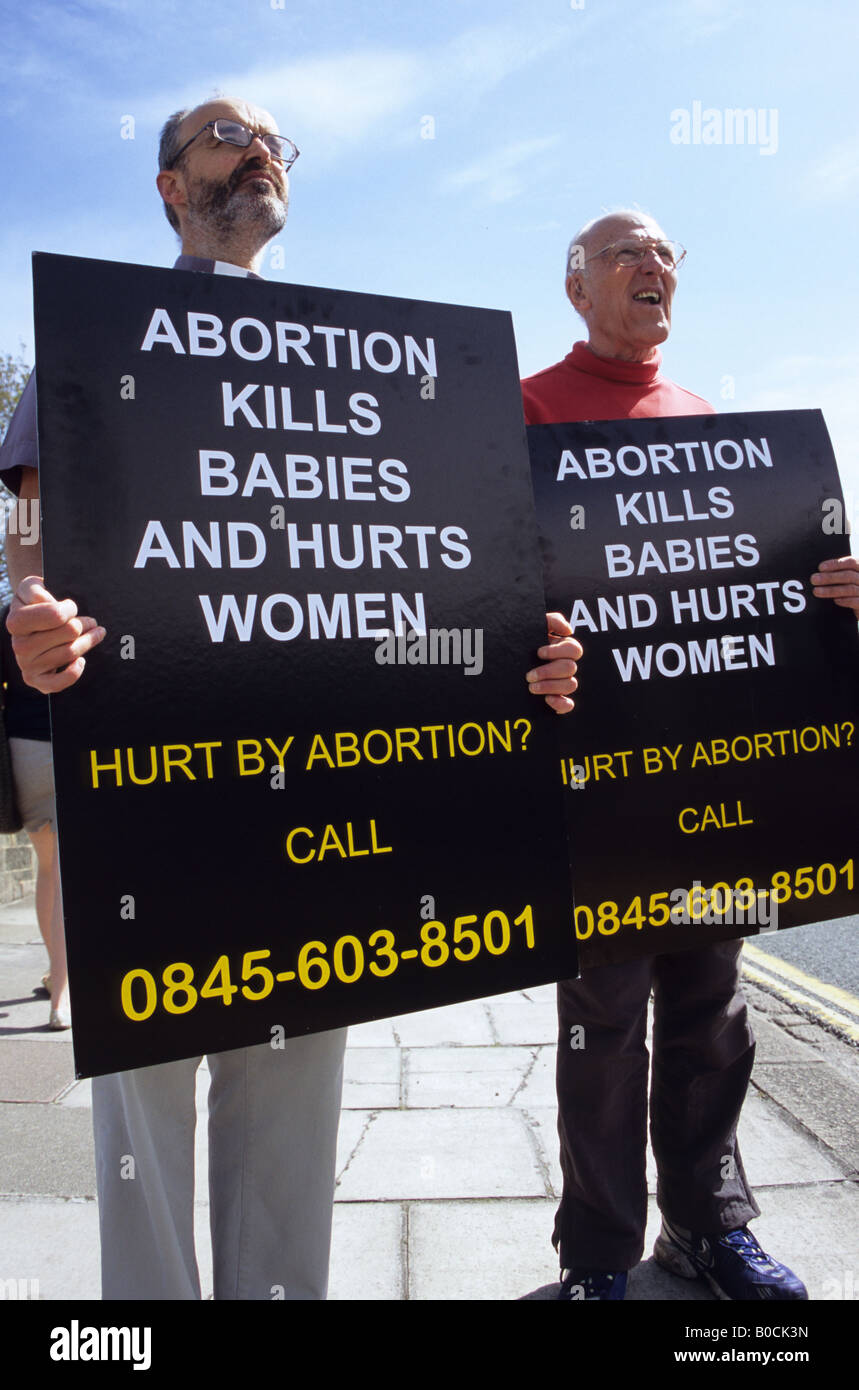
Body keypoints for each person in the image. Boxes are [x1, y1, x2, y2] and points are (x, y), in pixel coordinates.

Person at [1, 96, 580, 1300]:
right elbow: (34, 532)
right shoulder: (96, 338)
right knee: (143, 1113)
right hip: (151, 791)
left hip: (326, 810)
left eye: (274, 140)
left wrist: (523, 652)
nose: (256, 150)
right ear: (168, 183)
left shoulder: (374, 361)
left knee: (293, 1100)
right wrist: (33, 618)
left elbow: (449, 573)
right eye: (224, 133)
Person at [522, 208, 857, 1303]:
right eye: (626, 252)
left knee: (713, 1009)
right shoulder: (526, 411)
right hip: (594, 782)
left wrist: (830, 597)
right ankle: (598, 1256)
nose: (652, 265)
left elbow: (748, 595)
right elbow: (485, 590)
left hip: (712, 777)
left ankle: (707, 1229)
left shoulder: (706, 419)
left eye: (665, 253)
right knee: (604, 1020)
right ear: (577, 288)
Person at [0, 611, 68, 1028]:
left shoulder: (11, 615)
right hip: (81, 738)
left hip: (27, 747)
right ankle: (63, 990)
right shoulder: (87, 596)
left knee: (50, 868)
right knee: (73, 867)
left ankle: (57, 977)